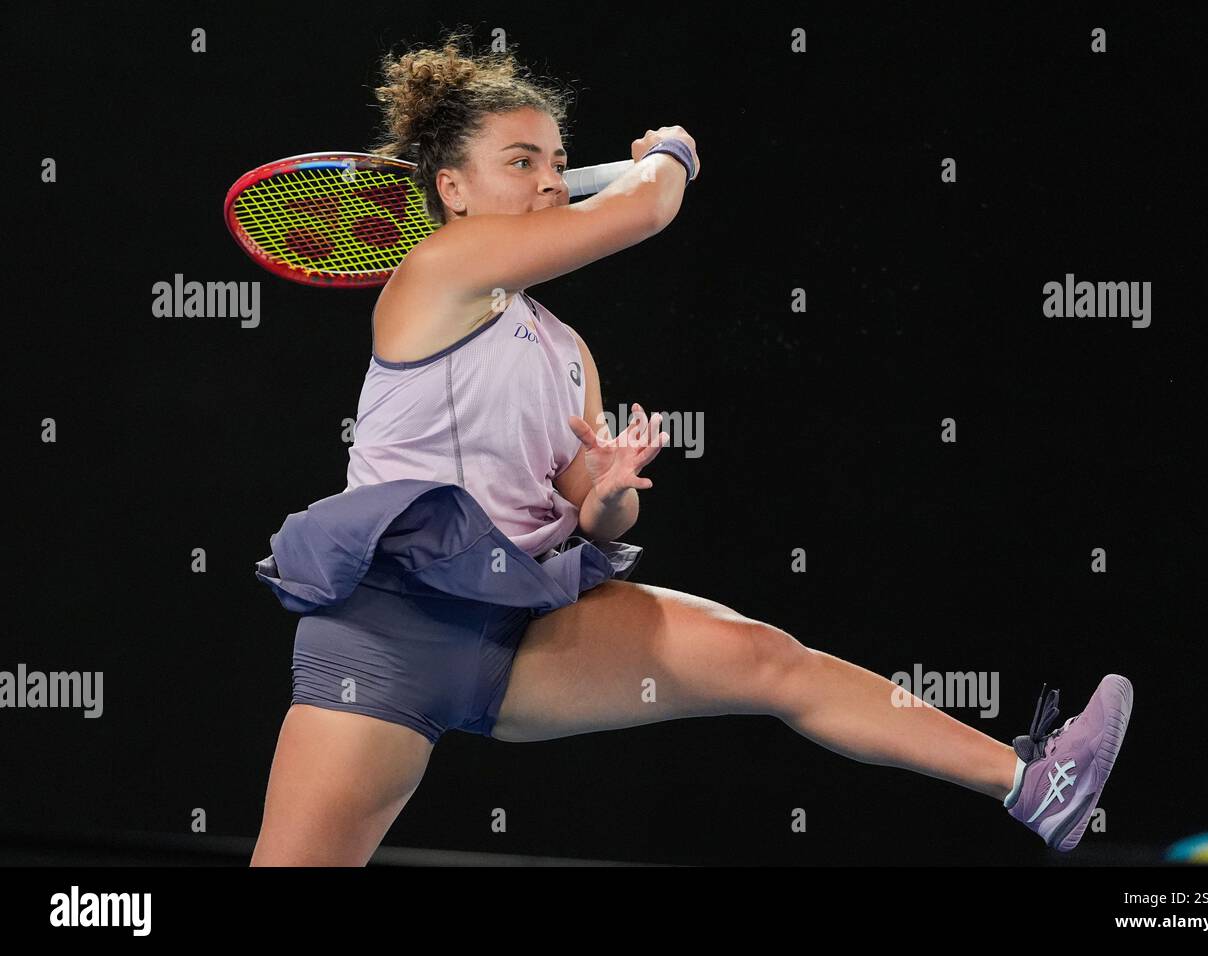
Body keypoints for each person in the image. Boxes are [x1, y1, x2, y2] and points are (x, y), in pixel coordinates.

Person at [249, 34, 1132, 866]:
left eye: (558, 163)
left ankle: (1030, 784)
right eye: (522, 162)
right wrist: (668, 153)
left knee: (767, 658)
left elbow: (590, 521)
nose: (551, 181)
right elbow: (648, 209)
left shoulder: (564, 352)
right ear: (451, 188)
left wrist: (610, 489)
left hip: (520, 635)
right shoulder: (441, 269)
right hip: (386, 642)